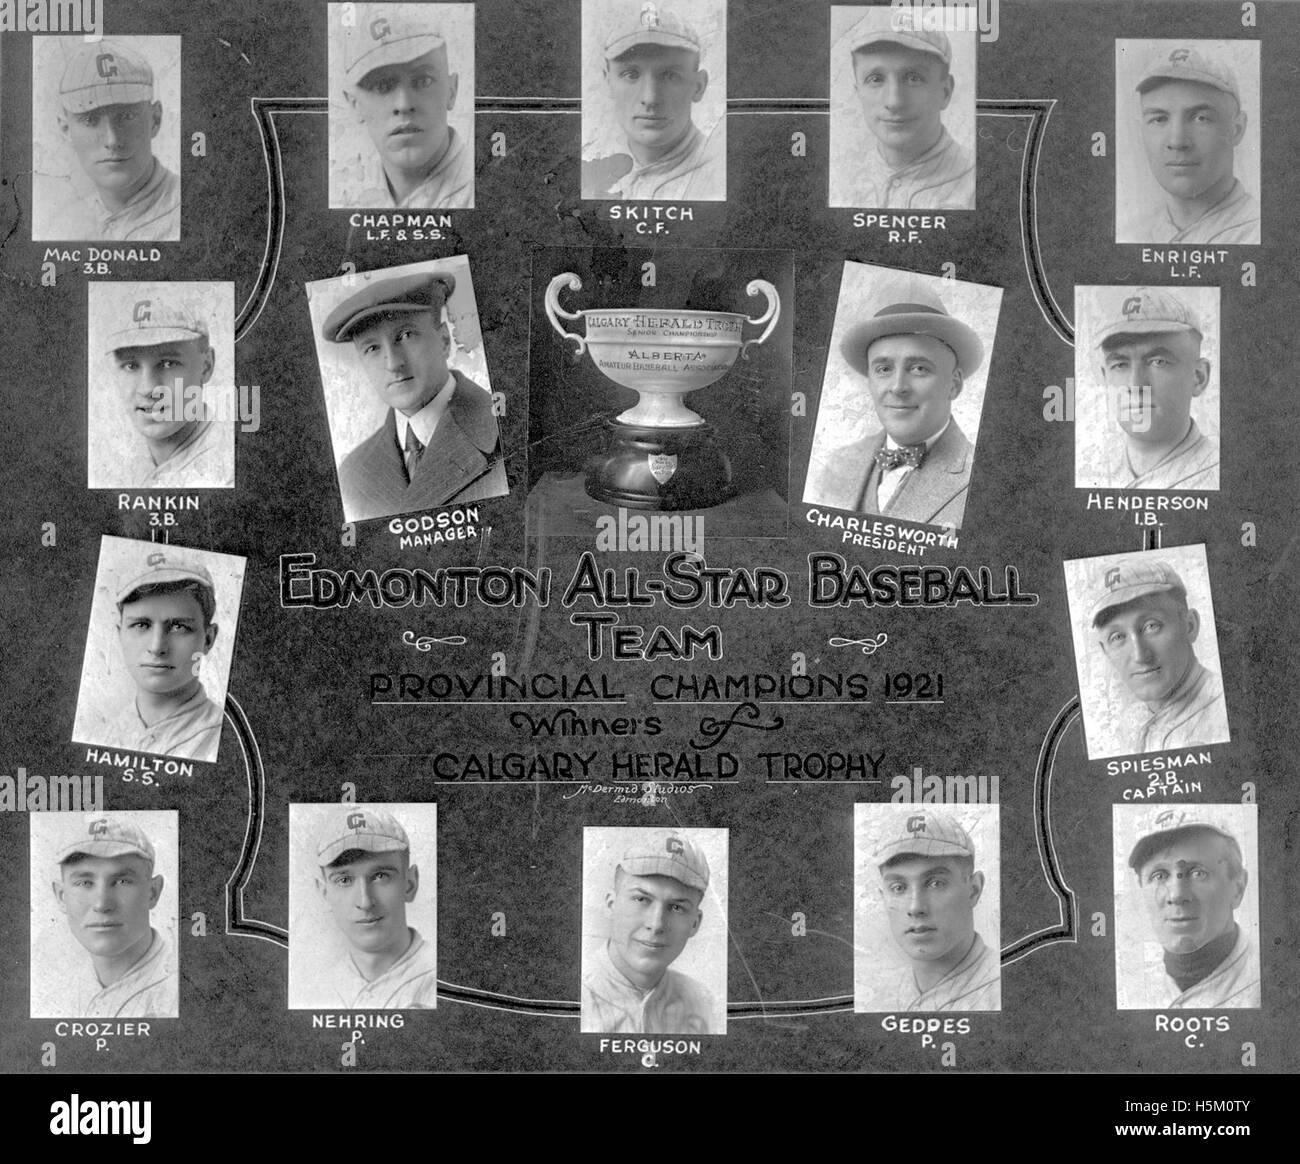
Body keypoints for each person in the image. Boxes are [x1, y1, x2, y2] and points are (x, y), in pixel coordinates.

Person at [322, 269, 508, 522]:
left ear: (444, 340)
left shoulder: (505, 431)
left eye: (406, 336)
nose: (392, 364)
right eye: (372, 348)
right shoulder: (353, 475)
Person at [805, 280, 983, 529]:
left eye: (919, 368)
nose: (898, 387)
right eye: (884, 369)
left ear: (953, 385)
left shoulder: (980, 480)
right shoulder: (835, 465)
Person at [582, 3, 725, 201]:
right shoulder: (591, 171)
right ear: (608, 83)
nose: (650, 98)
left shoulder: (721, 173)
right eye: (631, 74)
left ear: (699, 86)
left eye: (670, 75)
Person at [582, 829, 720, 1033]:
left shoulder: (704, 1003)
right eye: (641, 899)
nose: (656, 925)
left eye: (677, 907)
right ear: (611, 904)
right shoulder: (572, 993)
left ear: (695, 923)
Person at [835, 11, 974, 209]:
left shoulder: (979, 179)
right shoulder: (841, 181)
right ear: (858, 92)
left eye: (913, 78)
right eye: (875, 79)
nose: (894, 101)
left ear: (945, 92)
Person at [1089, 558, 1229, 754]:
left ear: (1190, 625)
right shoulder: (1121, 728)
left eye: (1151, 626)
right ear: (1105, 652)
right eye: (1118, 637)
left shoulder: (1227, 711)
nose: (1140, 655)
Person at [339, 6, 472, 209]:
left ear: (452, 91)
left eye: (423, 81)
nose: (404, 104)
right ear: (354, 104)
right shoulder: (342, 194)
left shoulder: (488, 186)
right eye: (382, 86)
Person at [865, 812, 999, 1012]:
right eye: (898, 888)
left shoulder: (1008, 986)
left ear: (974, 890)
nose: (915, 907)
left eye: (936, 883)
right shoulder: (874, 996)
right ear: (883, 897)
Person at [1125, 809, 1258, 1008]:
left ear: (1238, 888)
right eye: (1159, 875)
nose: (1177, 895)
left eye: (1198, 873)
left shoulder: (1274, 982)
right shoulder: (1127, 987)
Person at [1129, 44, 1259, 245]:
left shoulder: (1263, 234)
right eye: (1159, 119)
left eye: (1200, 118)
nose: (1177, 141)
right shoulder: (1132, 234)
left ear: (1237, 129)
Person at [101, 549, 223, 763]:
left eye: (179, 626)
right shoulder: (102, 737)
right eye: (141, 625)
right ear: (119, 635)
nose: (157, 647)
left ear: (208, 639)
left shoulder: (225, 738)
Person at [52, 39, 180, 241]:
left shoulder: (192, 212)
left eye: (126, 116)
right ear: (66, 129)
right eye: (90, 120)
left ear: (155, 120)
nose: (112, 140)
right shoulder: (60, 223)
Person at [49, 815, 177, 1018]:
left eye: (122, 881)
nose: (102, 904)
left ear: (153, 892)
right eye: (84, 883)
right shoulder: (52, 994)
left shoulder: (186, 989)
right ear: (61, 897)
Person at [103, 291, 233, 489]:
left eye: (168, 363)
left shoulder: (230, 469)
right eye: (130, 366)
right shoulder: (113, 468)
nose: (148, 388)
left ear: (206, 366)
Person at [1092, 288, 1217, 490]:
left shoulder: (1223, 474)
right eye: (1120, 365)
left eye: (1158, 361)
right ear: (1106, 378)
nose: (1135, 385)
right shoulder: (1091, 469)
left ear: (1199, 377)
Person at [313, 807, 438, 1008]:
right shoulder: (314, 989)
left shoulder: (448, 981)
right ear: (324, 892)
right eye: (344, 880)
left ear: (410, 884)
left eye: (380, 876)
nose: (365, 901)